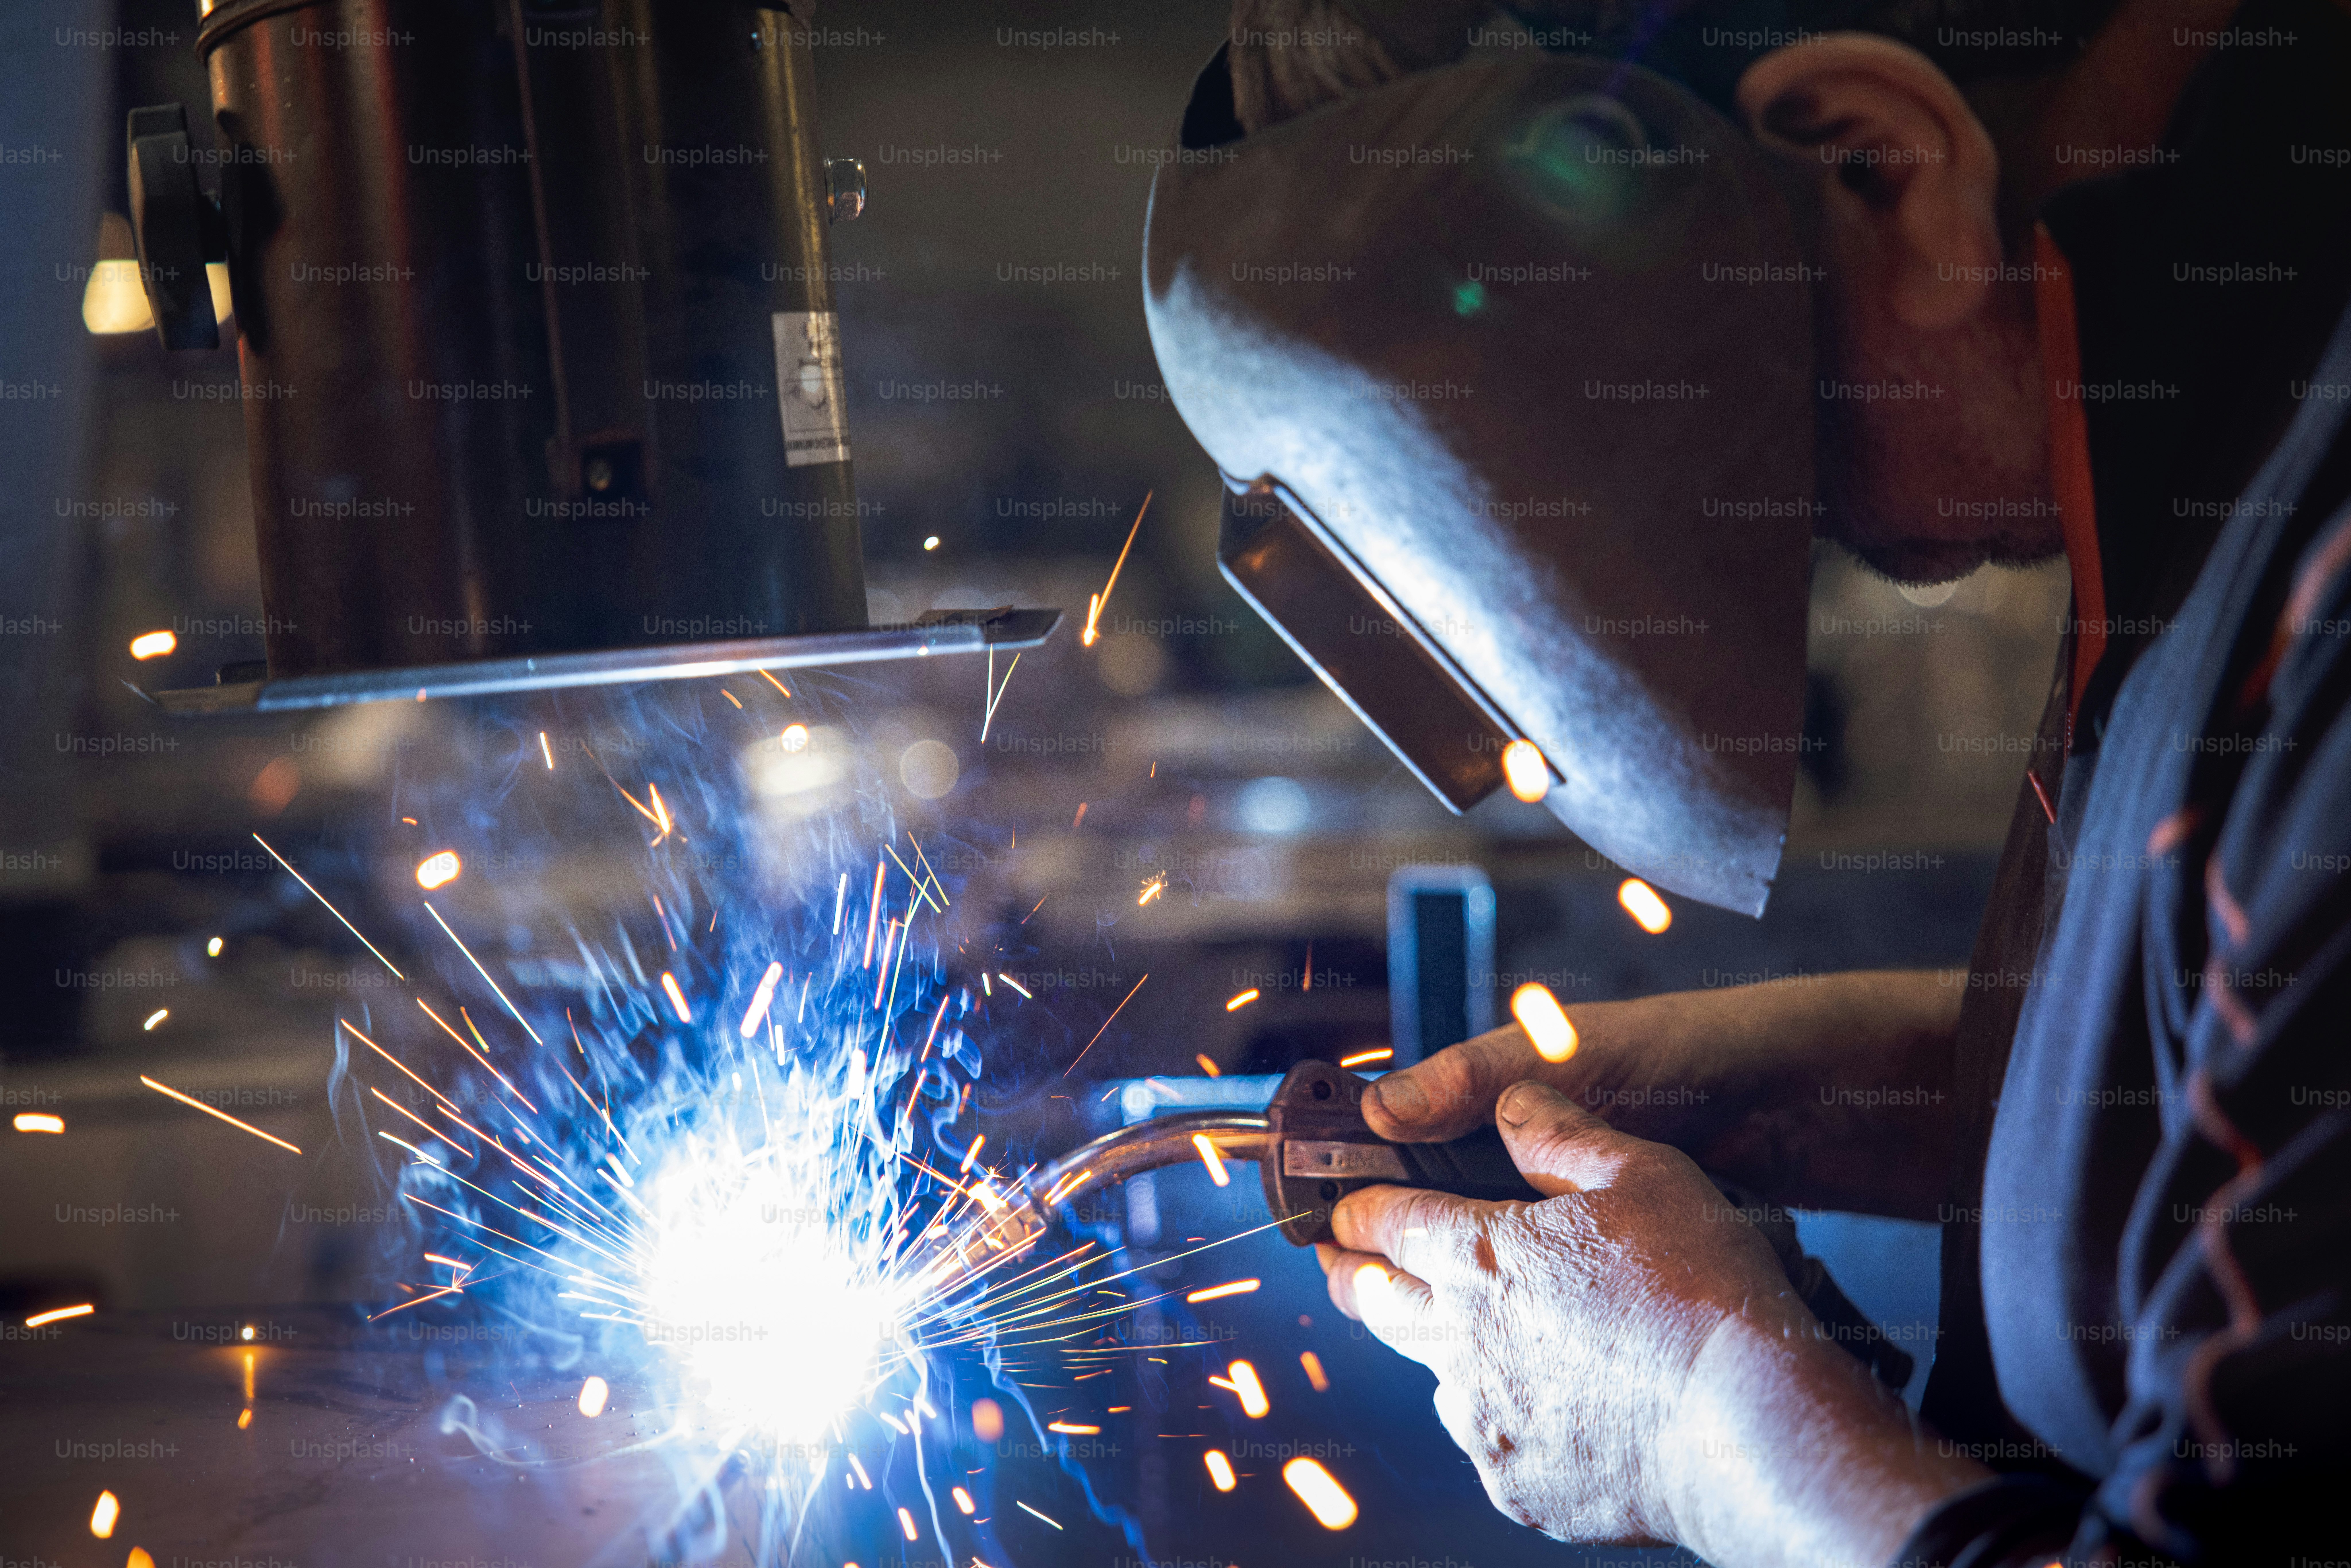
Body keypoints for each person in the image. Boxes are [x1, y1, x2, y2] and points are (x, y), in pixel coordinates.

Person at [1154, 1, 2351, 1562]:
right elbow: (2243, 1062)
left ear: (1876, 159)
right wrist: (1790, 1095)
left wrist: (1698, 1419)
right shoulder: (2203, 450)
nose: (1808, 537)